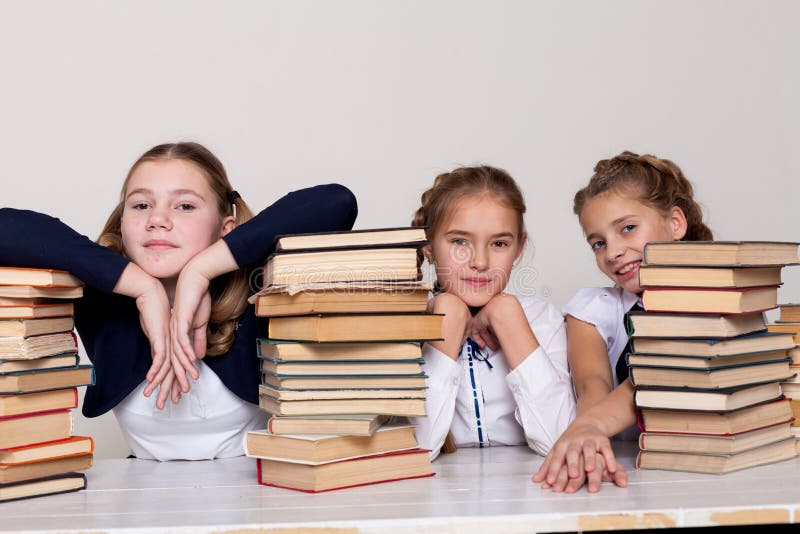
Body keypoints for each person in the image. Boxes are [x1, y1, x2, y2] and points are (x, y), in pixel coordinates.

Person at [0, 142, 358, 460]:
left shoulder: (256, 293)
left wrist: (201, 271)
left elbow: (337, 202)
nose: (157, 219)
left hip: (259, 495)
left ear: (227, 229)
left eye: (184, 205)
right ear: (123, 224)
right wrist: (144, 288)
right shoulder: (103, 302)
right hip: (138, 503)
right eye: (141, 205)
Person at [533, 150, 712, 492]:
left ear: (675, 223)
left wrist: (592, 426)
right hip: (633, 467)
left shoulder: (718, 301)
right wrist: (588, 436)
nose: (612, 252)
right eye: (598, 243)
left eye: (628, 228)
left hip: (701, 467)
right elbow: (592, 384)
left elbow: (662, 372)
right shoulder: (593, 310)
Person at [408, 165, 575, 460]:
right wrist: (446, 325)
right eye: (460, 242)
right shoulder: (401, 325)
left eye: (499, 243)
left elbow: (560, 443)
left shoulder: (543, 321)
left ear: (519, 247)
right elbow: (417, 450)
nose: (480, 261)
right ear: (429, 247)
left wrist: (508, 319)